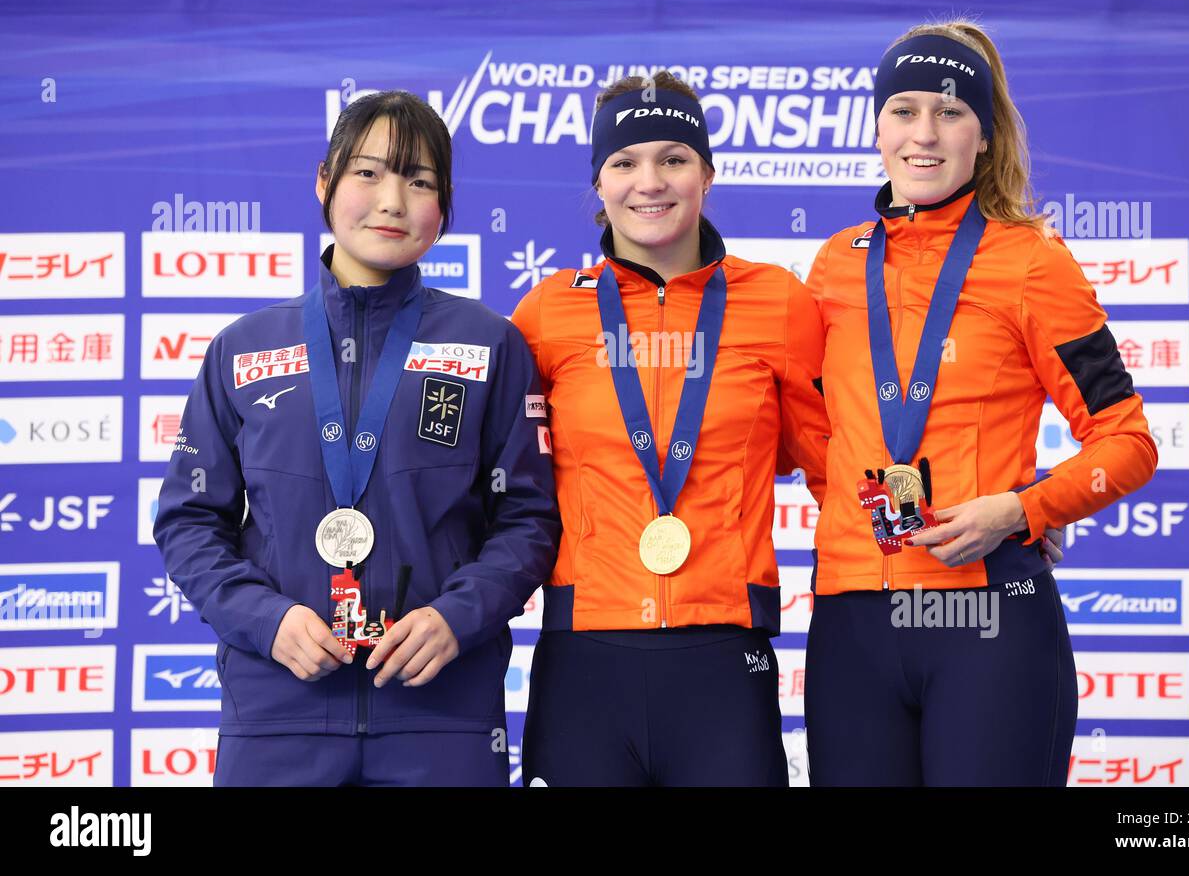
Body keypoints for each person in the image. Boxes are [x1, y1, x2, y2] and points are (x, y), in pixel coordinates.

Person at [153, 90, 560, 786]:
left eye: (419, 181)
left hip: (444, 715)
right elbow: (188, 520)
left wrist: (457, 618)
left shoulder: (489, 344)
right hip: (278, 713)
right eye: (368, 173)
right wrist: (267, 620)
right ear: (325, 182)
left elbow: (529, 519)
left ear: (445, 204)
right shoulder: (244, 348)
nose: (392, 201)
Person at [803, 22, 1157, 786]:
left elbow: (1127, 441)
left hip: (989, 617)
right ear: (876, 128)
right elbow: (815, 433)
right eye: (903, 110)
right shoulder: (833, 265)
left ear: (986, 136)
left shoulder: (1033, 261)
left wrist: (1023, 509)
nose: (924, 134)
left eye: (951, 111)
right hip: (851, 619)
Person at [511, 71, 830, 786]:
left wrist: (996, 512)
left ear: (707, 175)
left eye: (674, 159)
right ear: (599, 183)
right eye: (624, 162)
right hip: (584, 658)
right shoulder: (547, 313)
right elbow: (499, 481)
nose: (649, 182)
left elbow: (837, 463)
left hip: (725, 658)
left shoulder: (779, 302)